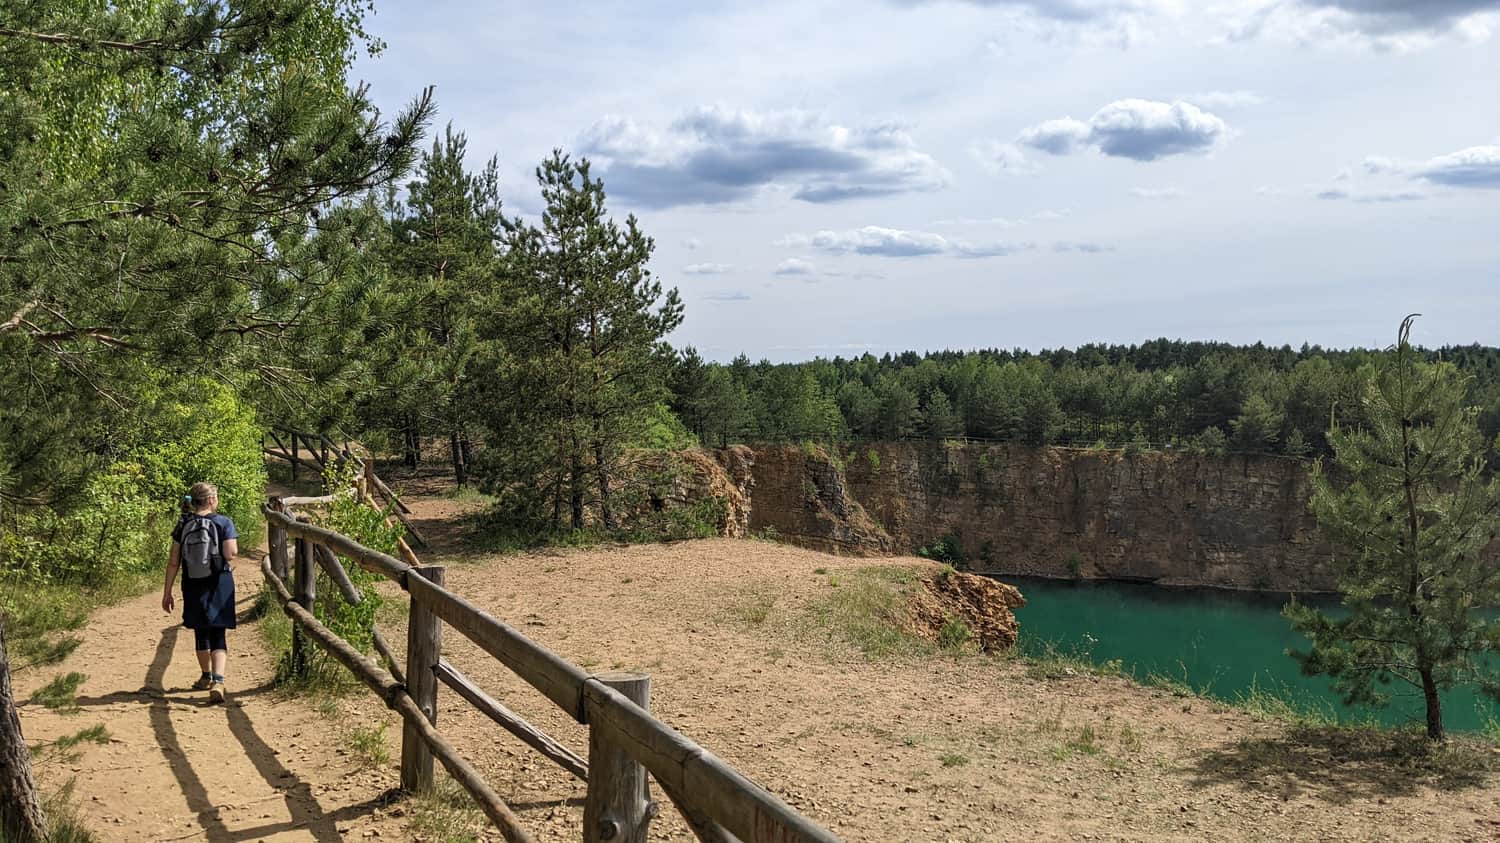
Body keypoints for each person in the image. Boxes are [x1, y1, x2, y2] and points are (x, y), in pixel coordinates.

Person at [161, 482, 239, 703]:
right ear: (212, 500)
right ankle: (219, 681)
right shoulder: (223, 522)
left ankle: (205, 675)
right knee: (218, 632)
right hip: (219, 582)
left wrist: (167, 592)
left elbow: (174, 561)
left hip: (192, 582)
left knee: (200, 630)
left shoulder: (183, 523)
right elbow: (231, 553)